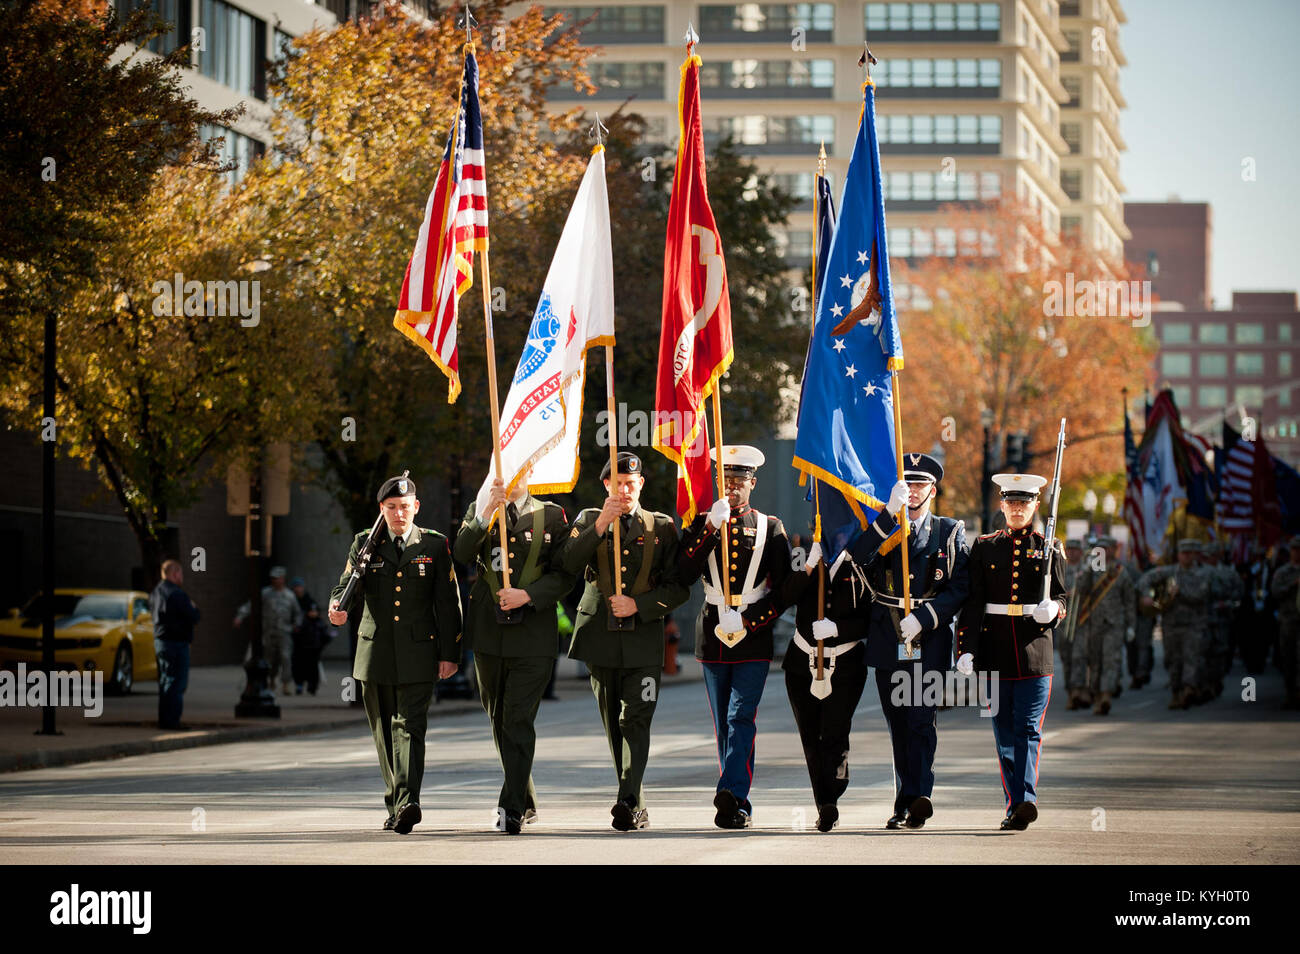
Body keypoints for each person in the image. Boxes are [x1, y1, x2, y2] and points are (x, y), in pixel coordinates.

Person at [559, 451, 688, 832]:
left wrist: (640, 605)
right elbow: (567, 564)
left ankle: (627, 798)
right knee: (613, 724)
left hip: (643, 640)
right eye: (617, 485)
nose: (625, 490)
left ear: (641, 485)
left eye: (631, 484)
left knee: (636, 718)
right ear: (606, 486)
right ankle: (635, 801)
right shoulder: (588, 521)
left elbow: (678, 587)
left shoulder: (661, 527)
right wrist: (601, 523)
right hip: (600, 637)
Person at [327, 474, 463, 835]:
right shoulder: (364, 544)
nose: (399, 513)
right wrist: (336, 606)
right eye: (392, 507)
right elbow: (347, 585)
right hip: (375, 652)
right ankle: (396, 802)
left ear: (416, 507)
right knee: (383, 732)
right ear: (382, 510)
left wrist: (450, 653)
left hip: (419, 652)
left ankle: (408, 802)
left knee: (409, 727)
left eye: (405, 507)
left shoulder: (434, 545)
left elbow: (447, 604)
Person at [677, 445, 792, 829]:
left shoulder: (770, 527)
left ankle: (733, 796)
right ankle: (735, 797)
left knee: (741, 715)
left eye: (740, 482)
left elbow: (785, 590)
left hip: (752, 636)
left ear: (753, 484)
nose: (733, 488)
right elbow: (682, 571)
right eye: (727, 481)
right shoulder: (704, 521)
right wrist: (710, 527)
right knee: (723, 724)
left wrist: (751, 620)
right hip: (712, 634)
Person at [853, 453, 969, 830]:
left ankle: (919, 796)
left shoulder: (948, 531)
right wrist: (888, 515)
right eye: (908, 484)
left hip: (930, 638)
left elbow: (961, 587)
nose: (914, 491)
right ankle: (903, 800)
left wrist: (925, 617)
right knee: (899, 723)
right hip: (889, 637)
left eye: (920, 485)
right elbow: (856, 558)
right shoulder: (886, 527)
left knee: (921, 720)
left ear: (932, 490)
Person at [453, 471, 573, 835]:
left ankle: (512, 807)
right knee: (498, 718)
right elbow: (460, 553)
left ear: (532, 473)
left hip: (533, 635)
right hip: (489, 633)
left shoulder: (551, 515)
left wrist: (530, 595)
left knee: (517, 718)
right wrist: (485, 510)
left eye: (522, 469)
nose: (513, 476)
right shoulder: (482, 509)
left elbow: (567, 573)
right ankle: (526, 795)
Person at [956, 473, 1066, 832]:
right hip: (995, 652)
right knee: (1005, 733)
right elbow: (973, 603)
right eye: (1011, 503)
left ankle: (1025, 800)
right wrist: (966, 648)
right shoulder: (984, 547)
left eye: (1024, 503)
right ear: (1002, 506)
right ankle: (1014, 803)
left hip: (1035, 651)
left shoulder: (1049, 546)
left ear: (1035, 506)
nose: (1017, 509)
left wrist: (1054, 609)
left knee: (1028, 730)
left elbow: (1063, 596)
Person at [780, 524, 872, 832]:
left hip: (845, 661)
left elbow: (874, 615)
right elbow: (784, 596)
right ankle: (825, 805)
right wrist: (807, 566)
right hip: (801, 660)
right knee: (810, 736)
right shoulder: (802, 549)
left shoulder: (863, 555)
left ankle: (832, 790)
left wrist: (839, 630)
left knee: (834, 732)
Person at [1138, 539, 1210, 709]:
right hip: (1171, 625)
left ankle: (1188, 689)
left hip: (1193, 625)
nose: (1186, 557)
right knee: (1172, 659)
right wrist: (1148, 595)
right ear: (1178, 555)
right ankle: (1177, 692)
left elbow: (1200, 595)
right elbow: (1144, 580)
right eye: (1183, 553)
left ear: (1194, 555)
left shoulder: (1201, 574)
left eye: (1189, 554)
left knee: (1191, 658)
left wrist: (1179, 592)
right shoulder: (1169, 572)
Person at [1067, 536, 1134, 715]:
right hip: (1093, 624)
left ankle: (1105, 695)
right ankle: (1097, 695)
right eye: (1099, 548)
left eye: (1106, 548)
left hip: (1114, 624)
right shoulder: (1093, 570)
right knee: (1095, 662)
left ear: (1113, 549)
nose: (1103, 551)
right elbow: (1081, 590)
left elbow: (1129, 601)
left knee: (1110, 660)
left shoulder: (1121, 572)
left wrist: (1131, 626)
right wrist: (1088, 570)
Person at [149, 558, 200, 730]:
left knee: (165, 682)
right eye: (181, 573)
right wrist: (194, 607)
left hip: (160, 641)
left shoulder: (156, 592)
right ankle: (172, 721)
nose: (182, 577)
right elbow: (194, 616)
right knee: (177, 683)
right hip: (177, 643)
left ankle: (164, 719)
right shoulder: (177, 594)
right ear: (174, 573)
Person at [234, 566, 301, 695]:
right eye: (273, 578)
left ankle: (286, 683)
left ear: (283, 579)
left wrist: (296, 625)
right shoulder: (265, 593)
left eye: (278, 578)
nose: (276, 581)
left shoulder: (289, 596)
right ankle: (270, 679)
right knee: (270, 659)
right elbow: (251, 605)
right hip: (268, 632)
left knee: (285, 657)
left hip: (284, 632)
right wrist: (240, 616)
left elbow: (297, 613)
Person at [1200, 542, 1242, 700]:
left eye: (1211, 556)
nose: (1208, 559)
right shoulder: (1199, 572)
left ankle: (1216, 681)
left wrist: (1228, 604)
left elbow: (1239, 594)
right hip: (1203, 620)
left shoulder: (1229, 573)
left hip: (1222, 620)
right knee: (1203, 653)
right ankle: (1204, 685)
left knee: (1219, 653)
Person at [1269, 537, 1300, 709]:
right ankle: (1290, 693)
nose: (1298, 552)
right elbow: (1275, 593)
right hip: (1288, 620)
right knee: (1288, 658)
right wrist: (1292, 585)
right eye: (1295, 549)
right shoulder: (1283, 572)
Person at [289, 577, 328, 695]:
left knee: (312, 663)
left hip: (311, 637)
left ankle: (312, 686)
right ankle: (299, 684)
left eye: (299, 587)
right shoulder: (291, 601)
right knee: (297, 663)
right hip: (298, 637)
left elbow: (316, 614)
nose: (298, 589)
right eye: (296, 587)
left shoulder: (309, 601)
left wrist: (310, 614)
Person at [1058, 538, 1085, 692]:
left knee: (1079, 656)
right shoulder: (1060, 569)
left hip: (1082, 619)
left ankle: (1078, 689)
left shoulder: (1087, 569)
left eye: (1075, 550)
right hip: (1065, 621)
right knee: (1066, 655)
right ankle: (1070, 687)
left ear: (1081, 552)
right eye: (1069, 549)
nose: (1072, 552)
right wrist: (1067, 594)